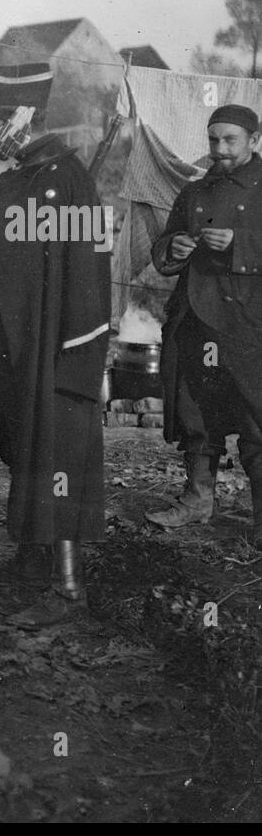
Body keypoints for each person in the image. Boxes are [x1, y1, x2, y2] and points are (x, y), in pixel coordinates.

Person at [0, 63, 110, 624]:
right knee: (24, 447)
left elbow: (46, 276)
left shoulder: (65, 181)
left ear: (22, 115)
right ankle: (33, 562)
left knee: (54, 452)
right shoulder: (24, 178)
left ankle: (65, 589)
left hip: (60, 346)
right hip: (24, 344)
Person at [148, 105, 262, 538]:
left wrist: (240, 245)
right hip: (194, 320)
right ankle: (197, 501)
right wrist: (173, 248)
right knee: (196, 417)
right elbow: (163, 246)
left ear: (255, 139)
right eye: (213, 139)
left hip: (248, 325)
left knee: (256, 424)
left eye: (230, 139)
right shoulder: (194, 192)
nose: (219, 149)